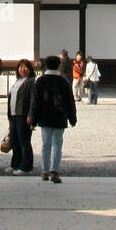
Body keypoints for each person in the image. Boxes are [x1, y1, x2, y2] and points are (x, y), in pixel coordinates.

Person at [29, 54, 77, 183]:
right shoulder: (64, 81)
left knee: (45, 145)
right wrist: (72, 118)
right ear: (58, 65)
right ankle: (54, 171)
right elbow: (70, 102)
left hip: (44, 117)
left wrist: (33, 120)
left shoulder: (40, 81)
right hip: (60, 117)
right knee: (57, 144)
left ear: (46, 65)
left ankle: (44, 171)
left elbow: (35, 102)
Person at [5, 59, 36, 175]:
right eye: (20, 67)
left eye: (25, 67)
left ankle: (26, 166)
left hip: (23, 115)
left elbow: (33, 100)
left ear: (30, 69)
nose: (22, 69)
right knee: (14, 140)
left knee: (24, 141)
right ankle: (15, 164)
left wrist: (31, 115)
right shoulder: (18, 81)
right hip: (13, 115)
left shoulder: (31, 81)